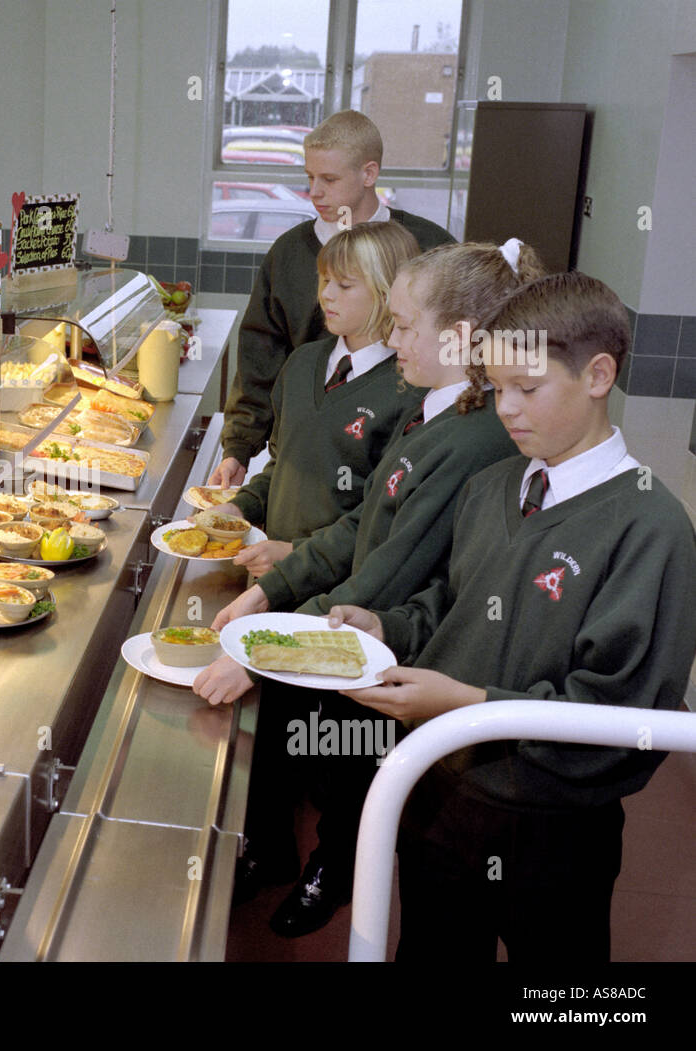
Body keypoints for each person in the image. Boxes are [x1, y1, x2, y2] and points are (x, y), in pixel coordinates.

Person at [330, 272, 696, 961]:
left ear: (598, 375)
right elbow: (450, 603)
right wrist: (390, 628)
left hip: (555, 829)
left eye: (528, 389)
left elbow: (623, 714)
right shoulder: (492, 486)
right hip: (440, 788)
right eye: (496, 388)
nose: (506, 409)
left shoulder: (651, 527)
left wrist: (467, 704)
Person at [197, 239, 545, 935]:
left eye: (407, 324)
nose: (394, 337)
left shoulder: (469, 437)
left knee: (352, 771)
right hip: (364, 631)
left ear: (461, 337)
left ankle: (336, 870)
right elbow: (361, 526)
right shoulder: (434, 413)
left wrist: (260, 644)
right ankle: (282, 855)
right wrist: (271, 594)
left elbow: (385, 570)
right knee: (325, 759)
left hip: (393, 649)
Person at [209, 110, 454, 489]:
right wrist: (238, 448)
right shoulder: (289, 252)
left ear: (369, 174)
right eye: (309, 178)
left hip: (390, 458)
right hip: (298, 454)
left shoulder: (430, 249)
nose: (315, 192)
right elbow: (260, 356)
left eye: (329, 179)